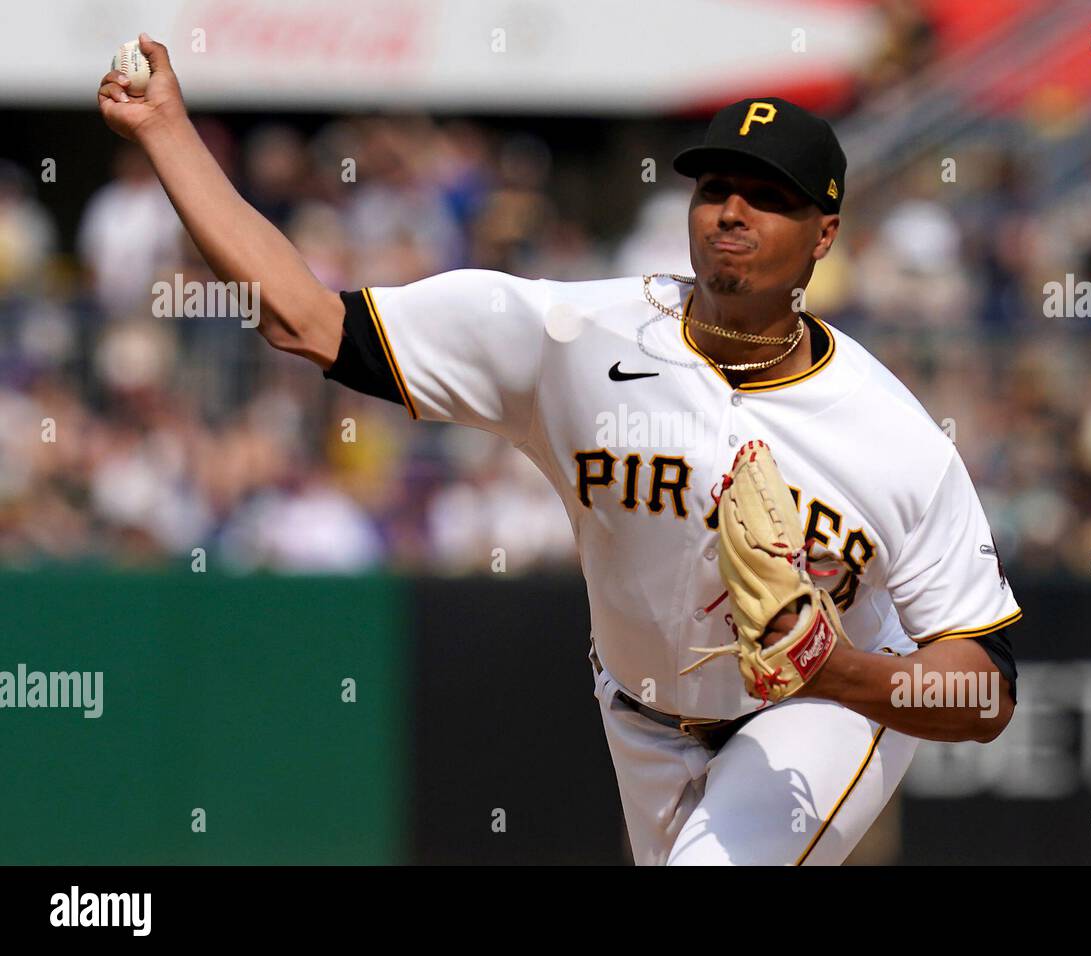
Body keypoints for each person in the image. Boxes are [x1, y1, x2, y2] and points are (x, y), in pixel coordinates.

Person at [99, 36, 1023, 866]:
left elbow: (987, 698)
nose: (732, 212)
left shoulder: (894, 436)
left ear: (825, 234)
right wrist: (168, 131)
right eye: (715, 189)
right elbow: (306, 320)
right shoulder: (574, 336)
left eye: (768, 198)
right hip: (639, 714)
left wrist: (839, 673)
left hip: (821, 712)